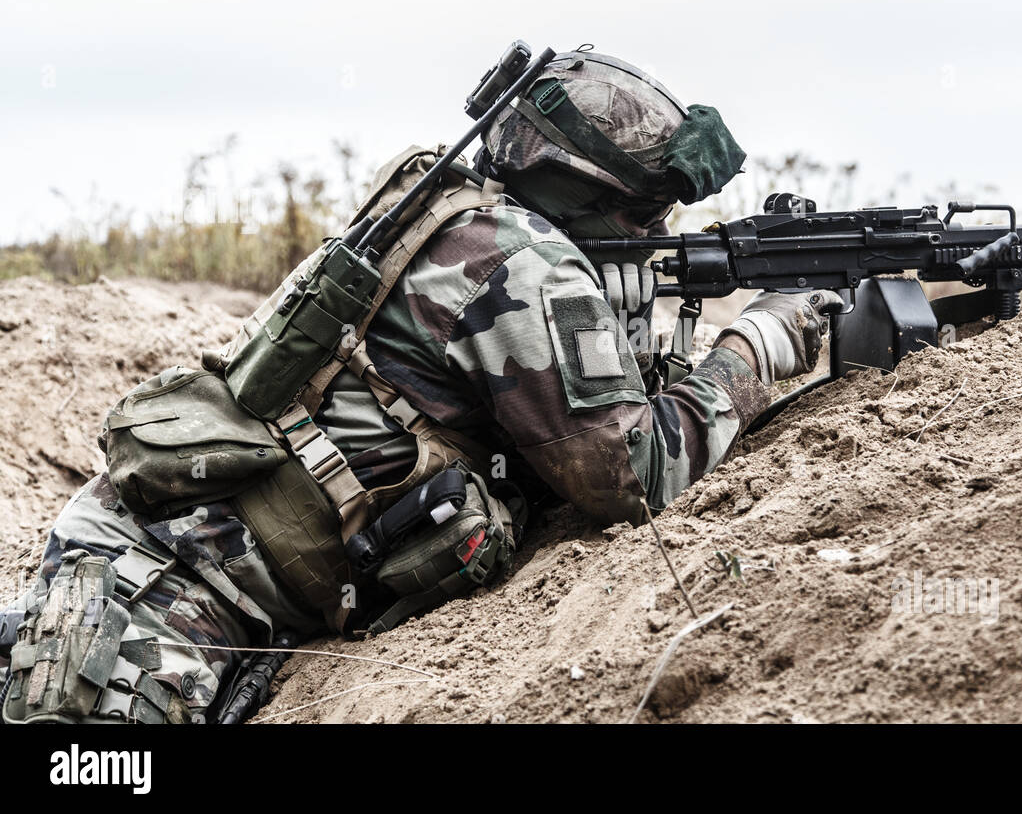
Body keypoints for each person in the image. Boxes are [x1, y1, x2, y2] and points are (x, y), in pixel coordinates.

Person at [0, 48, 839, 723]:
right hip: (161, 589)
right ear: (580, 187)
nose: (656, 235)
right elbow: (636, 474)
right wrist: (758, 343)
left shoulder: (457, 208)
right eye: (644, 215)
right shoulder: (518, 263)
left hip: (209, 566)